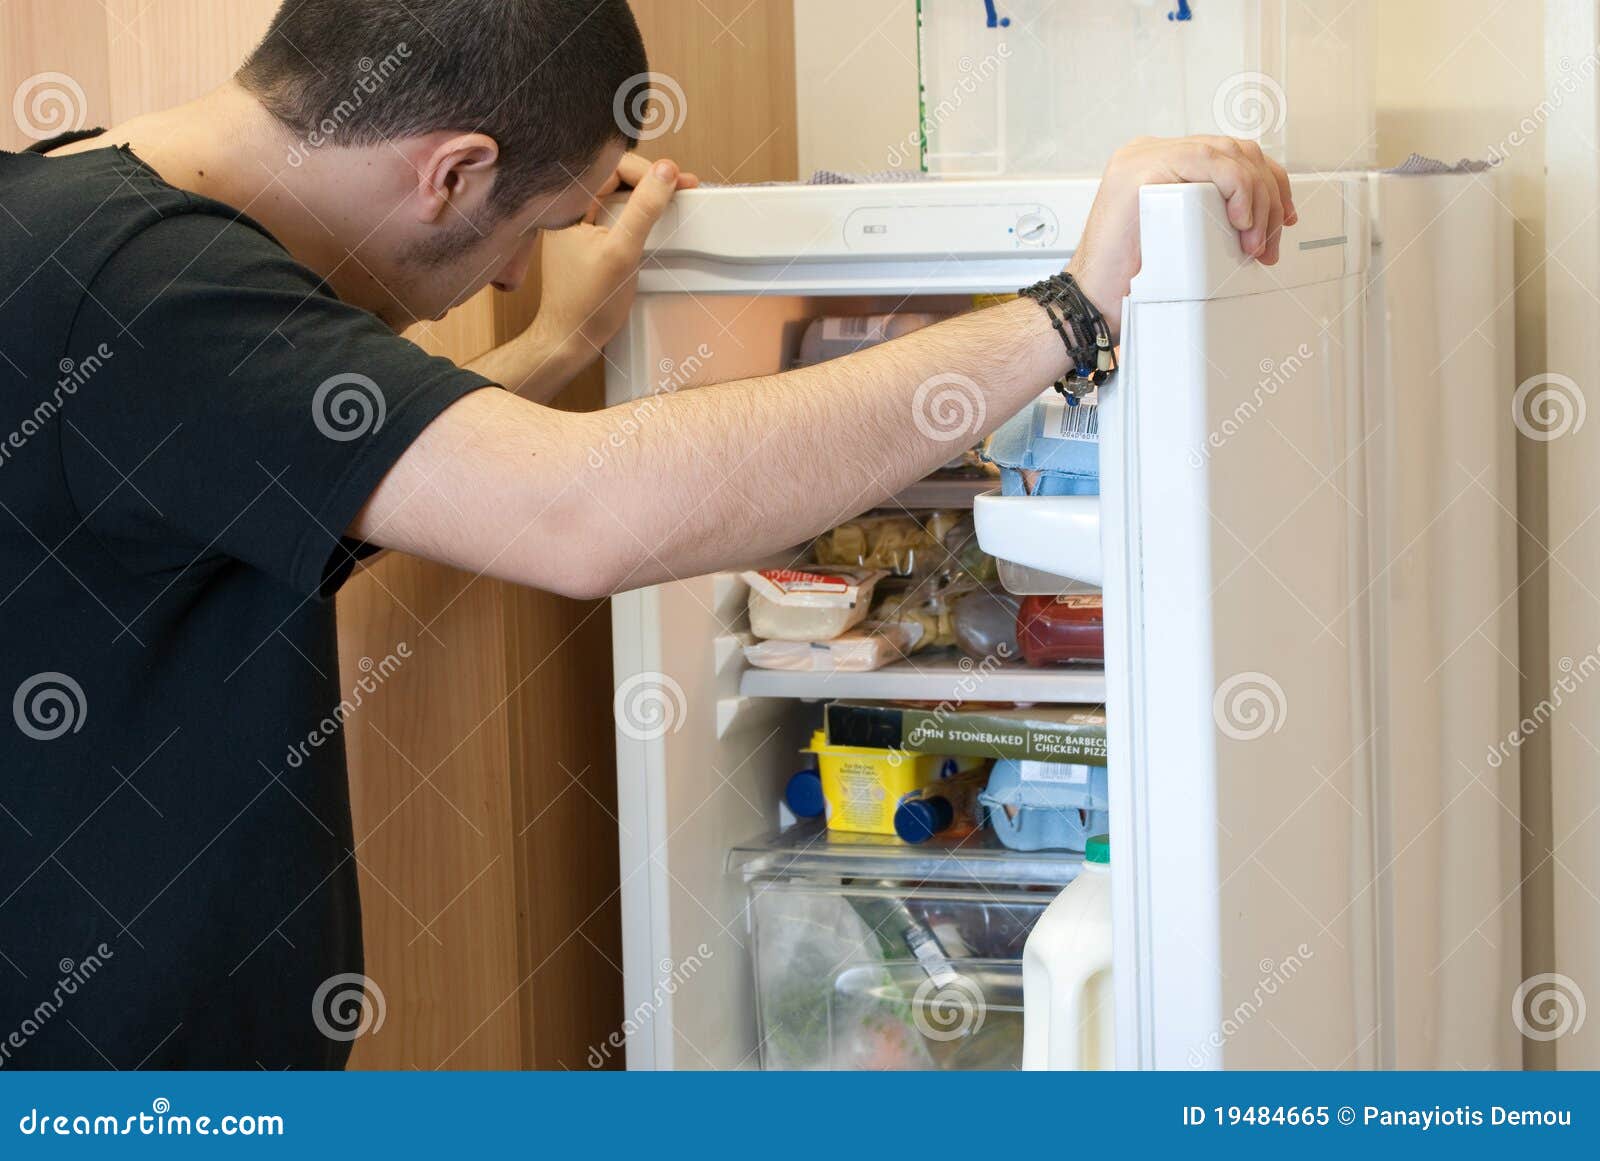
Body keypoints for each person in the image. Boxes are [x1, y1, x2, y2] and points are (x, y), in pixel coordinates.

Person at [0, 0, 1295, 1068]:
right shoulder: (152, 287)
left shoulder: (73, 219)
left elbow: (333, 474)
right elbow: (582, 510)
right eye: (533, 229)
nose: (512, 276)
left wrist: (558, 346)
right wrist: (1072, 309)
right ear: (451, 169)